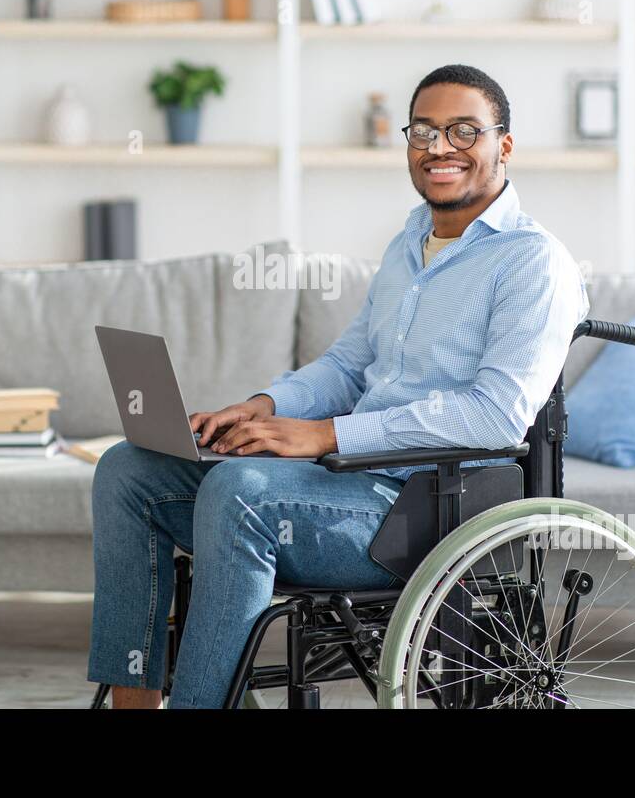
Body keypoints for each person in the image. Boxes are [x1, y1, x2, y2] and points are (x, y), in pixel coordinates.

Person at [88, 63, 590, 709]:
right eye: (425, 131)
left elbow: (495, 416)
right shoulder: (410, 242)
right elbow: (349, 366)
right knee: (130, 469)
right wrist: (264, 407)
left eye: (464, 131)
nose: (440, 147)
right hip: (345, 478)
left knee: (241, 490)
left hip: (426, 508)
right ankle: (137, 702)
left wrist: (325, 433)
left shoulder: (534, 262)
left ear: (504, 145)